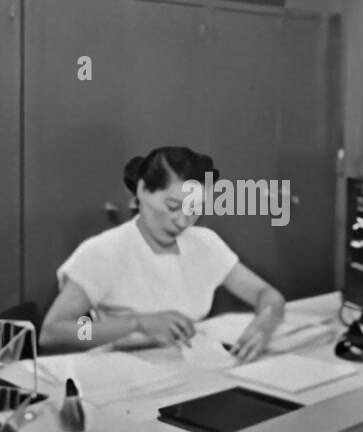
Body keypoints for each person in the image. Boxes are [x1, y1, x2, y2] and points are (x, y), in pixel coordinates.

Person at [40, 146, 285, 361]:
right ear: (143, 190)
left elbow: (266, 294)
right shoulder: (104, 251)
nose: (182, 221)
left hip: (191, 368)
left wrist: (264, 324)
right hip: (123, 374)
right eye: (172, 206)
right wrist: (137, 324)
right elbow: (55, 331)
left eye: (194, 209)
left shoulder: (205, 244)